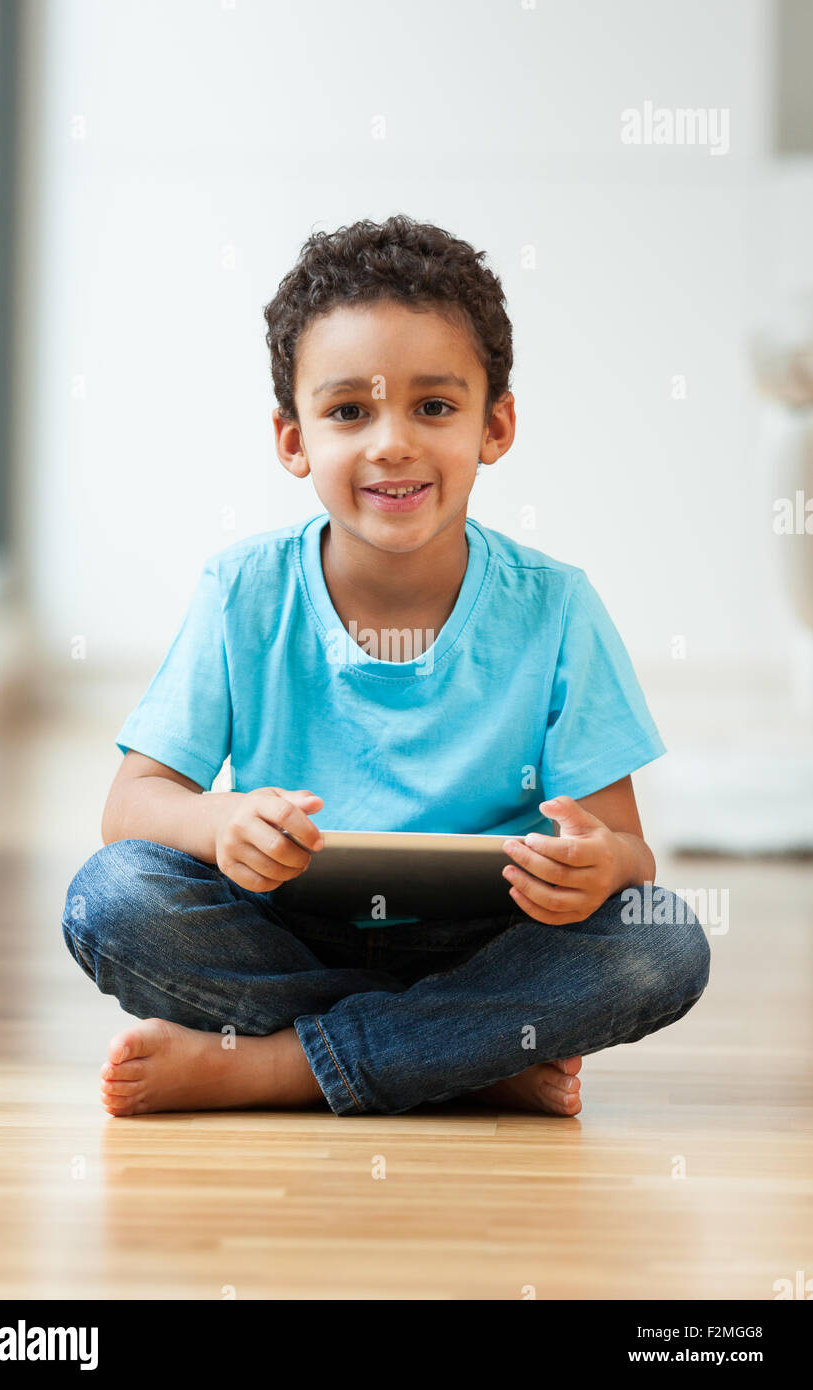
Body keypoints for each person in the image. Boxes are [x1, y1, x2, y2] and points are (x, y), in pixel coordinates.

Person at [61, 214, 710, 1119]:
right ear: (294, 440)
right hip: (288, 928)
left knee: (665, 940)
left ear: (496, 425)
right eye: (349, 412)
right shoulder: (242, 591)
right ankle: (464, 1054)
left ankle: (276, 1066)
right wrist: (220, 821)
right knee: (112, 897)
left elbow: (628, 854)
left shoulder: (556, 607)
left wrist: (601, 869)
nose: (392, 443)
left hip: (492, 946)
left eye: (434, 406)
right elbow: (129, 806)